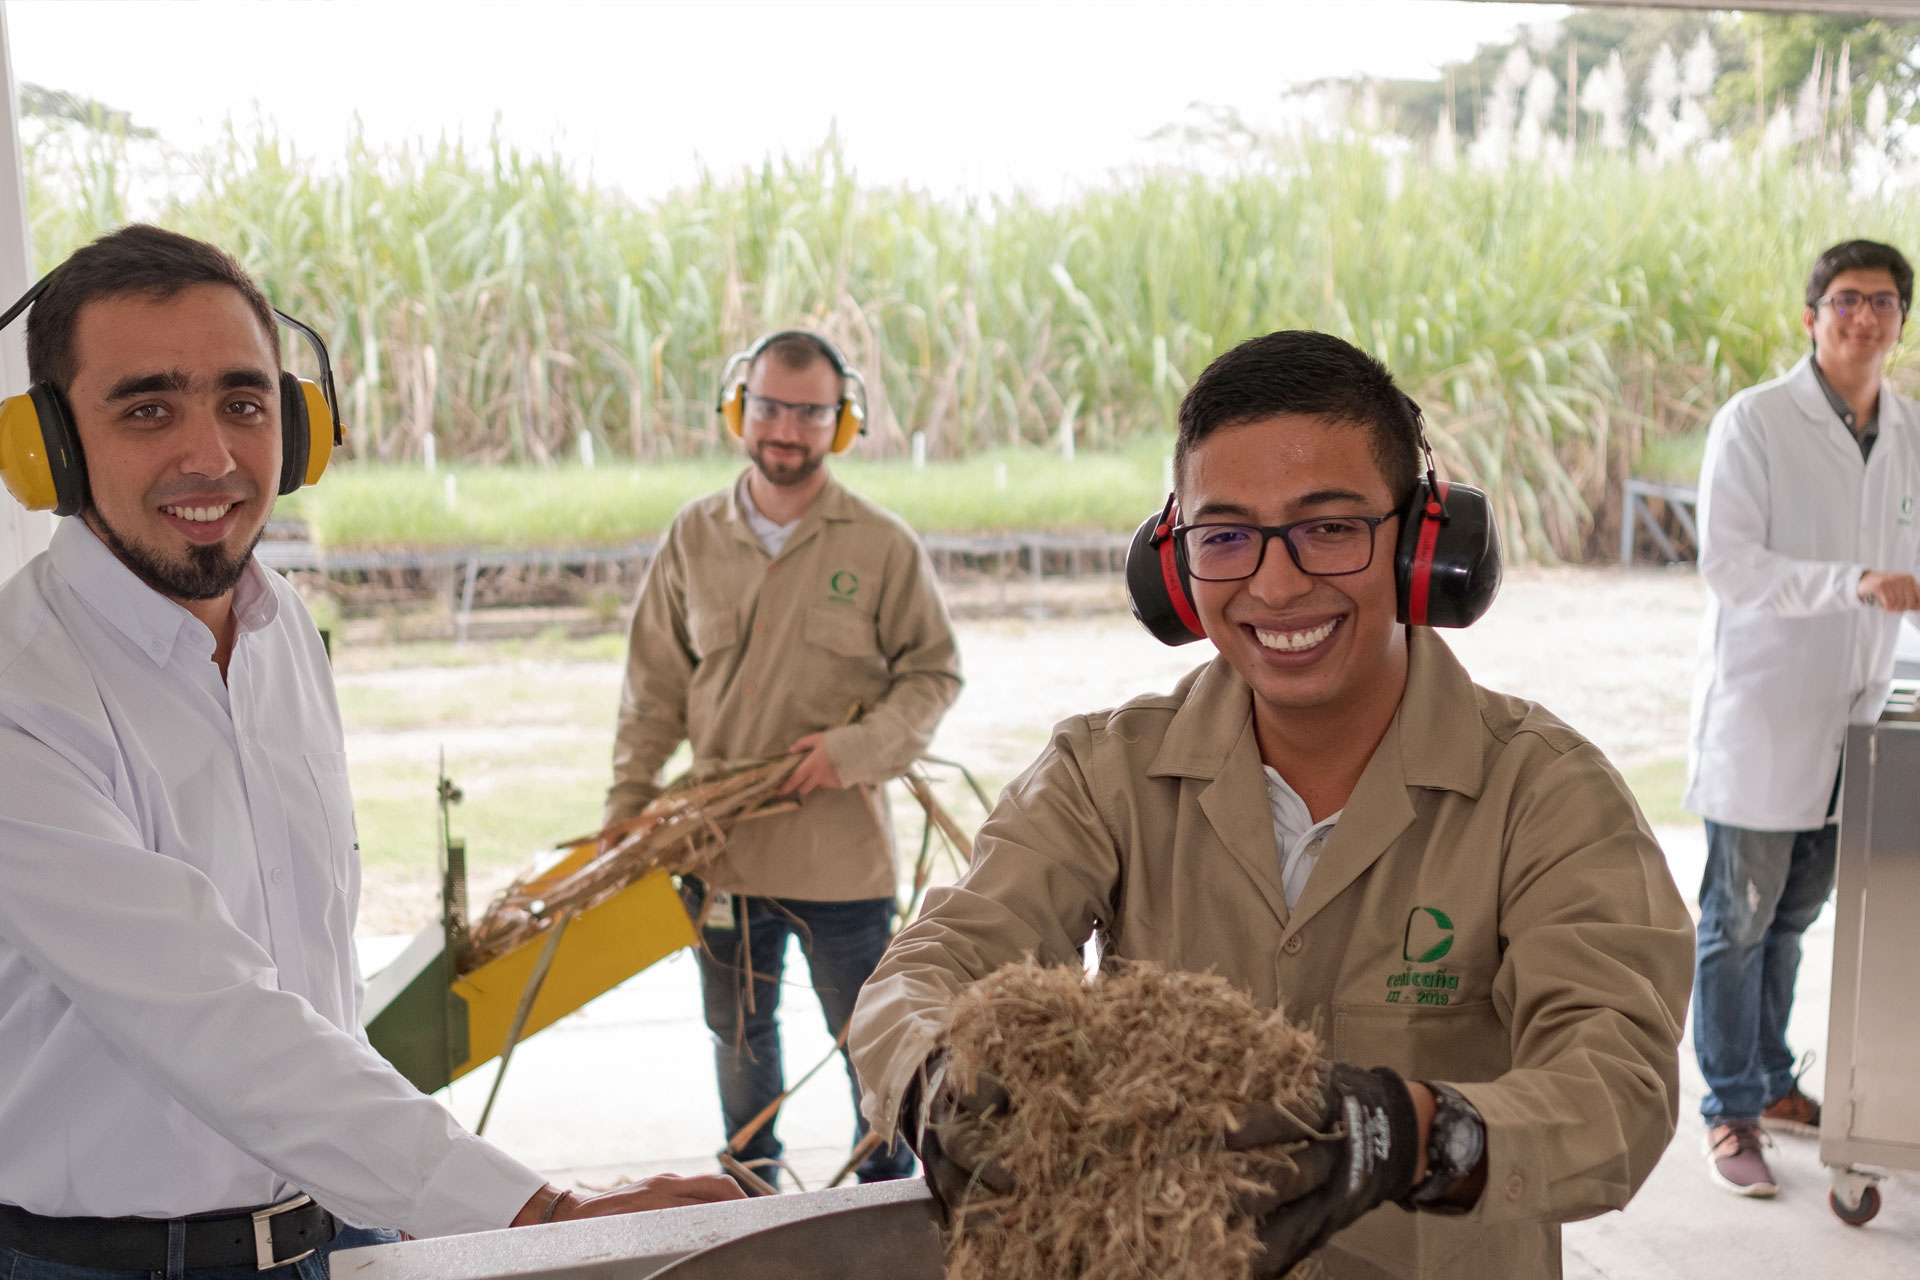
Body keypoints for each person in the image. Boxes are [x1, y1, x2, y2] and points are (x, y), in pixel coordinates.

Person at [849, 330, 1694, 1279]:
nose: (1277, 582)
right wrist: (934, 1082)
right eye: (1227, 536)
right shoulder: (1103, 771)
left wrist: (1404, 1136)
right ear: (1174, 567)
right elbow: (934, 963)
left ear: (1426, 545)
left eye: (1330, 527)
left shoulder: (1547, 795)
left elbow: (1617, 1092)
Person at [0, 225, 742, 1280]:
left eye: (245, 403)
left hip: (327, 1236)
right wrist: (536, 1208)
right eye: (147, 407)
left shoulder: (282, 631)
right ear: (48, 449)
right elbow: (208, 1010)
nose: (210, 455)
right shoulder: (20, 693)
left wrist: (384, 1208)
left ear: (298, 429)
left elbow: (312, 980)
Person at [604, 330, 962, 1189]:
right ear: (739, 409)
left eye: (810, 413)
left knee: (868, 1041)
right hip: (720, 859)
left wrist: (854, 750)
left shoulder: (881, 546)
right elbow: (652, 689)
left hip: (842, 863)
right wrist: (627, 813)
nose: (786, 430)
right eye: (769, 406)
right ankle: (751, 1191)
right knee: (738, 1039)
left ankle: (883, 1199)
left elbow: (932, 673)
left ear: (842, 424)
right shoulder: (694, 536)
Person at [1683, 238, 1920, 1199]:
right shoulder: (1755, 423)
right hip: (1767, 717)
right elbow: (1728, 564)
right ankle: (1729, 1110)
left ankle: (1774, 1081)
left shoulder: (1908, 430)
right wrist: (1855, 583)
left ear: (1902, 321)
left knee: (1794, 918)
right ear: (1811, 315)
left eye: (1886, 302)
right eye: (1847, 299)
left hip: (1853, 723)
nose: (1866, 316)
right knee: (1735, 922)